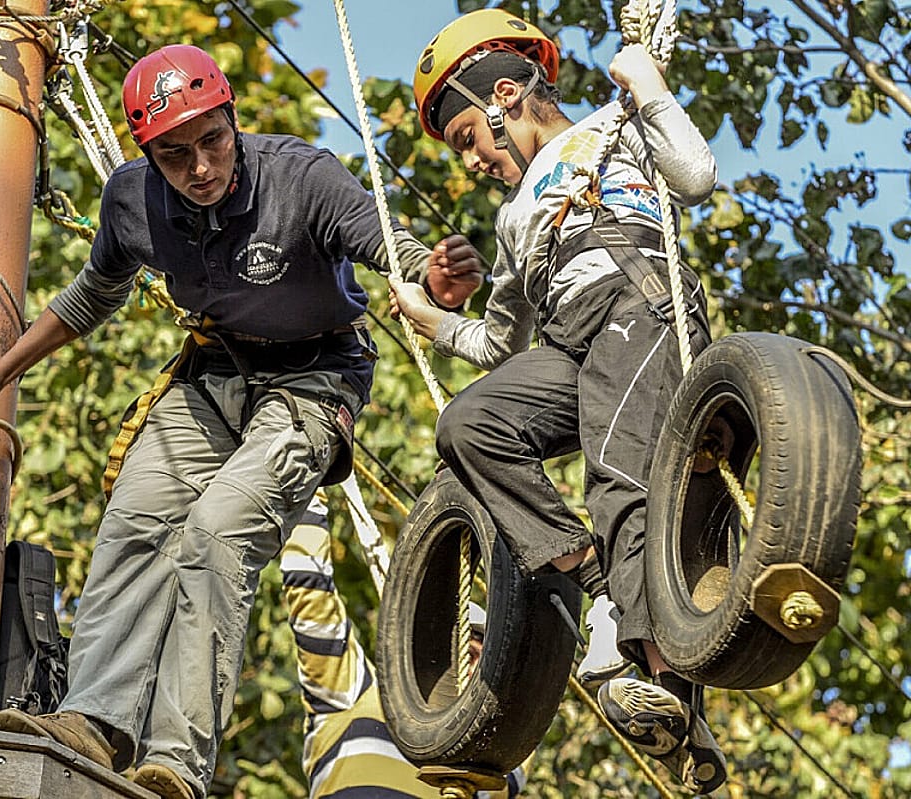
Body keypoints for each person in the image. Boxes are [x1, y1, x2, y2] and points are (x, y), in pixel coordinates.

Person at [0, 44, 482, 799]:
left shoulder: (301, 178)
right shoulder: (132, 202)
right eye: (174, 154)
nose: (200, 167)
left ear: (233, 120)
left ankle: (177, 758)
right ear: (147, 156)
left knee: (217, 533)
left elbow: (388, 245)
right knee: (136, 519)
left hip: (313, 378)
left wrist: (436, 276)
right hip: (213, 371)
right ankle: (95, 720)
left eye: (213, 141)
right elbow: (92, 294)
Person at [389, 9, 728, 795]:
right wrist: (435, 321)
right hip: (571, 343)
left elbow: (696, 176)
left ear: (505, 97)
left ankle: (666, 686)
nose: (470, 160)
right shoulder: (513, 218)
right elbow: (499, 345)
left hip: (640, 303)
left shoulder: (613, 129)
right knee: (470, 424)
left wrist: (649, 86)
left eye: (467, 137)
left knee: (621, 479)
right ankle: (597, 578)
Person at [280, 496, 525, 798]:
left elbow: (532, 697)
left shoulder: (482, 761)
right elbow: (309, 588)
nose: (473, 670)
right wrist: (309, 494)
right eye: (468, 653)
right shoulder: (354, 691)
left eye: (483, 663)